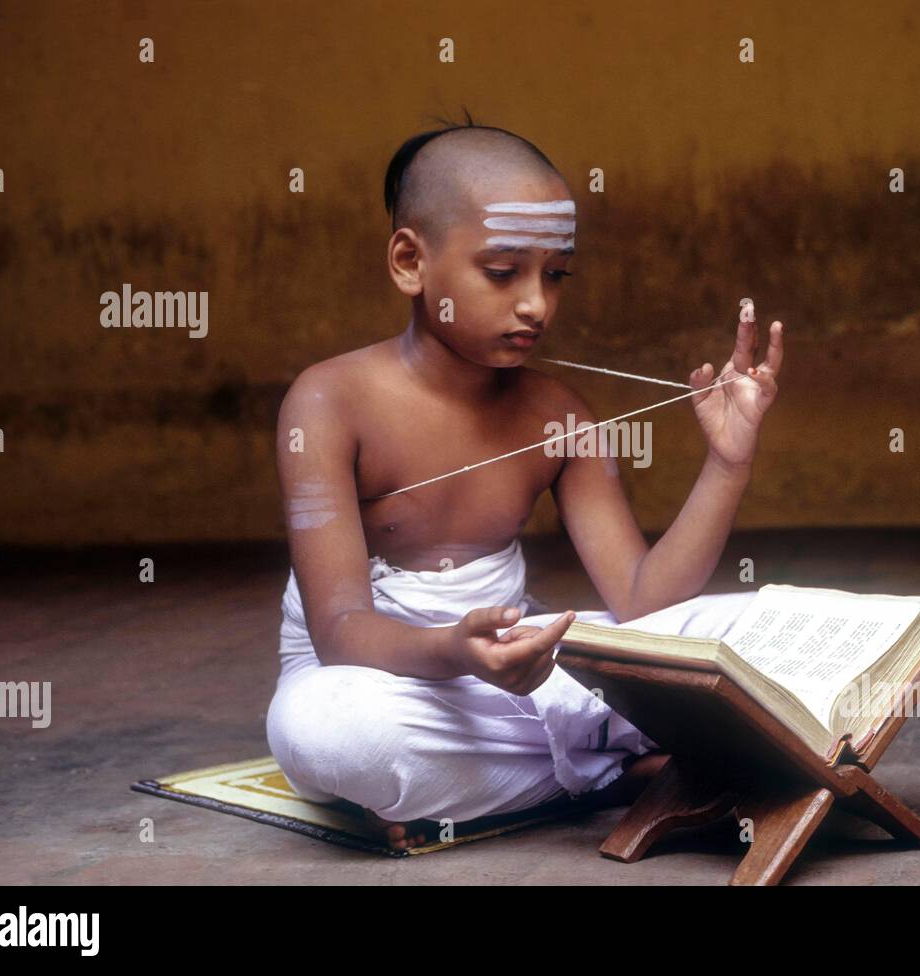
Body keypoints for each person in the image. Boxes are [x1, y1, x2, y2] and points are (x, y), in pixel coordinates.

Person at [265, 119, 783, 850]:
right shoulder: (326, 405)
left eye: (556, 274)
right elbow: (340, 629)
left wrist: (727, 463)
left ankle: (595, 761)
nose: (537, 304)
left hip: (525, 672)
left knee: (769, 634)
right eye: (504, 273)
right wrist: (458, 651)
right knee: (332, 734)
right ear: (411, 262)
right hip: (385, 677)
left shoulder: (560, 415)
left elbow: (642, 601)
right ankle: (627, 766)